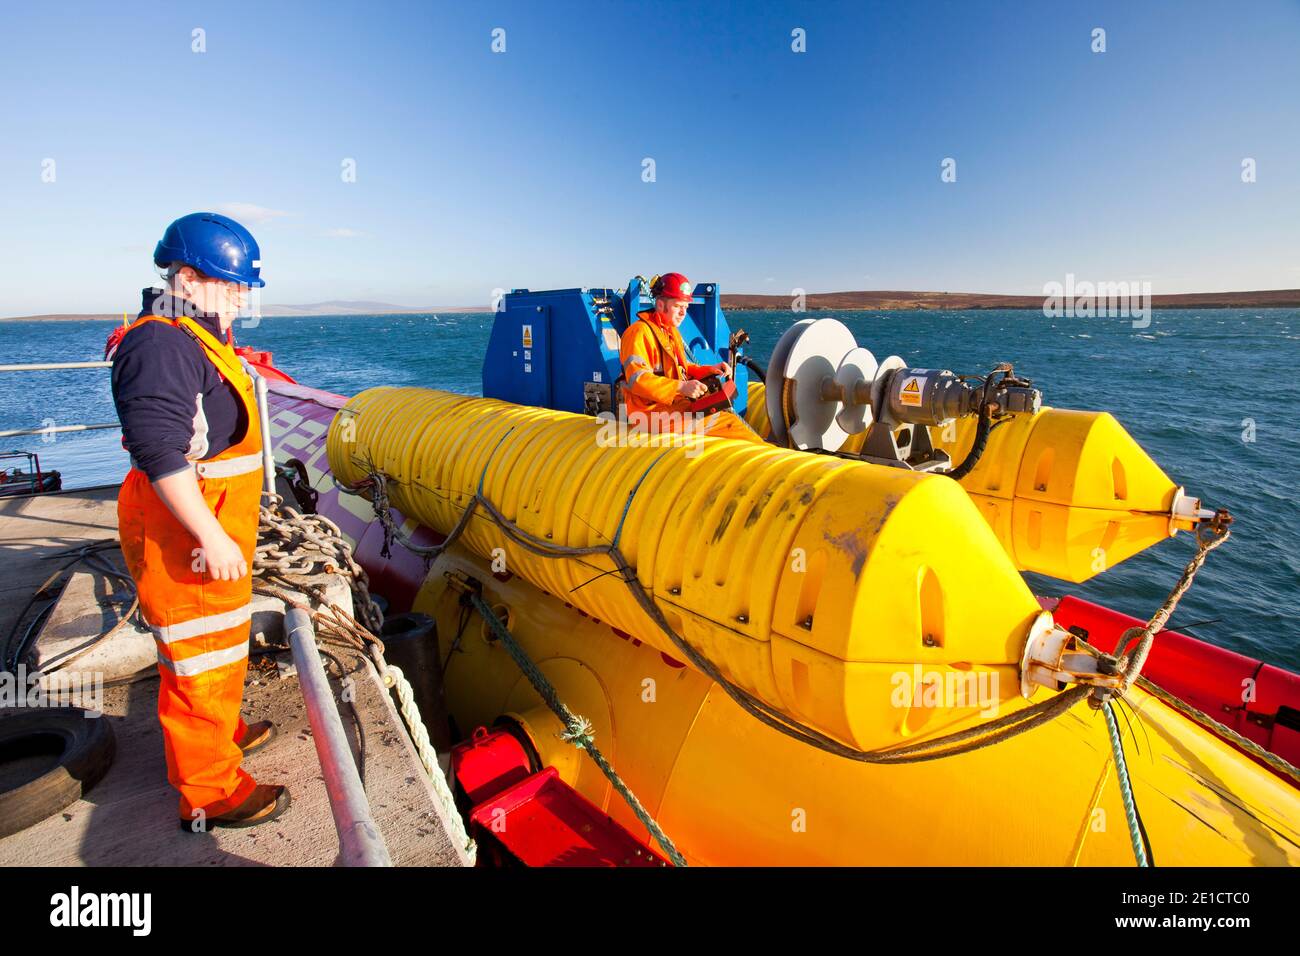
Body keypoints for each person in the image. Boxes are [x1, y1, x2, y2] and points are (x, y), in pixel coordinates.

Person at [110, 212, 289, 831]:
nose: (241, 297)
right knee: (196, 658)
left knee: (220, 644)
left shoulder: (198, 335)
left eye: (245, 287)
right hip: (185, 532)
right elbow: (158, 450)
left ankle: (225, 730)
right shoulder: (159, 343)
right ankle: (211, 791)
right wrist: (209, 536)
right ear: (187, 276)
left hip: (214, 524)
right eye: (230, 284)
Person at [618, 273, 763, 443]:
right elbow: (638, 380)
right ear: (660, 304)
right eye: (678, 306)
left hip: (672, 407)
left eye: (686, 307)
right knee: (728, 424)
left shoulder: (670, 332)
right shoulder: (638, 333)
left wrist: (709, 369)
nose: (683, 313)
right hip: (649, 413)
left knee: (723, 415)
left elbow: (680, 367)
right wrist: (681, 387)